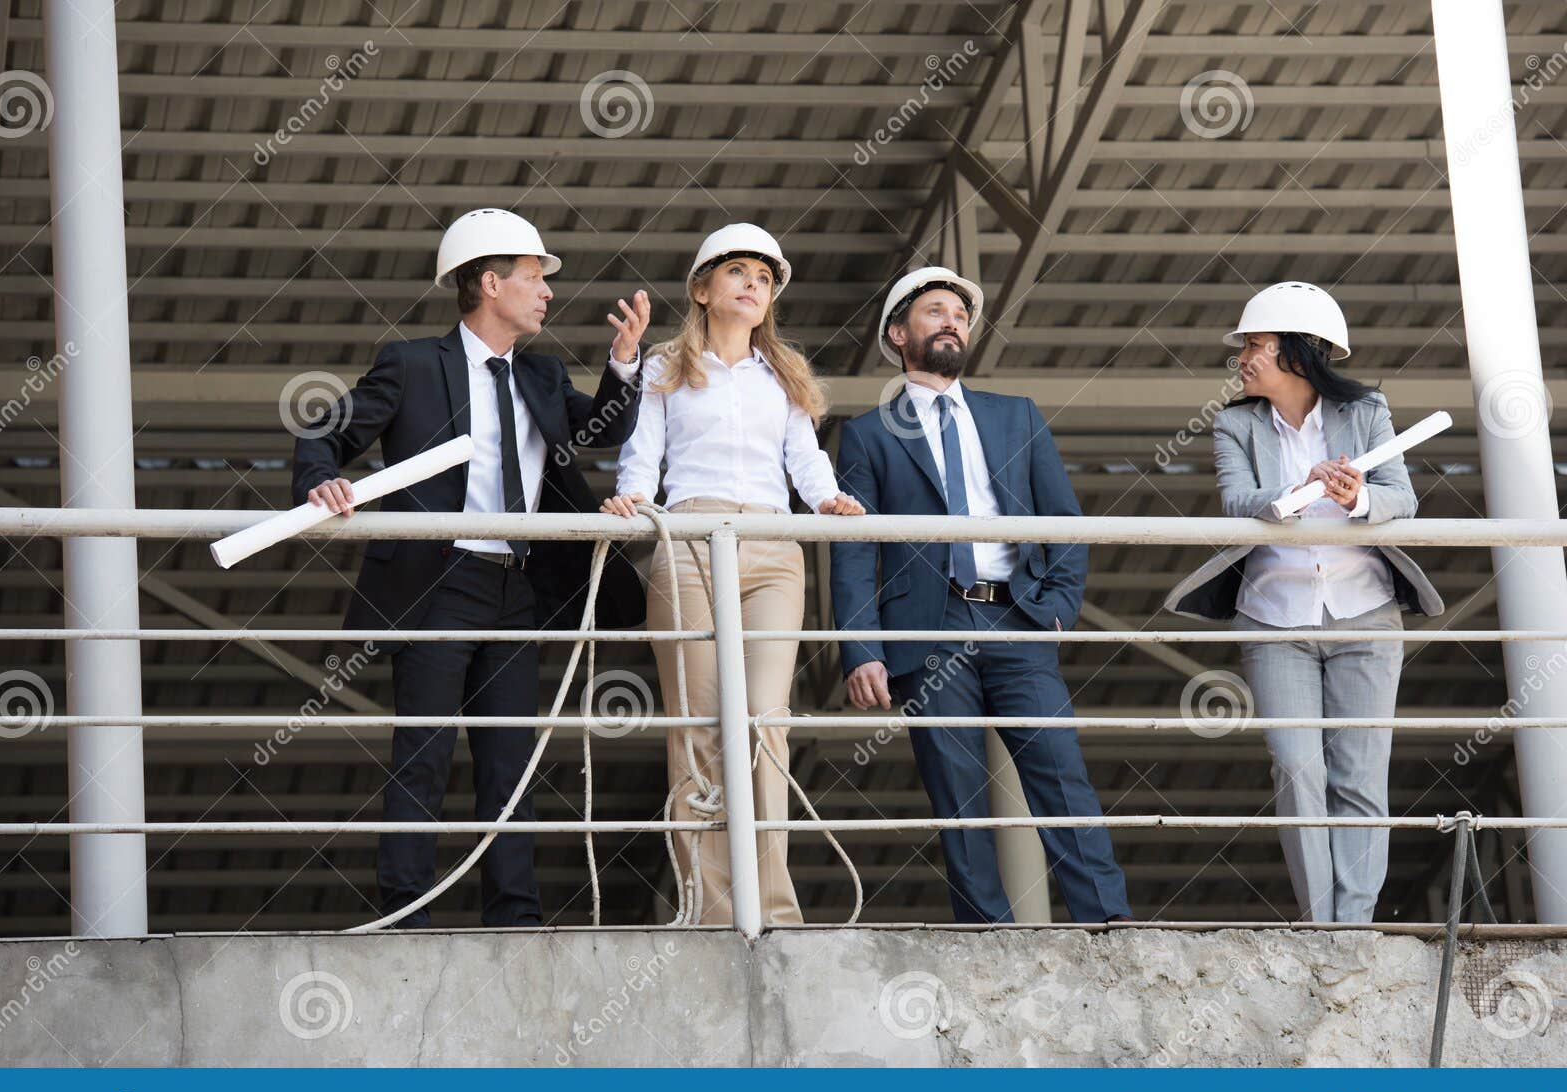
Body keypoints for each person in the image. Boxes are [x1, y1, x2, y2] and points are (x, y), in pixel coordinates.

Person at [291, 207, 651, 928]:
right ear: (490, 283)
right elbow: (329, 428)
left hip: (516, 586)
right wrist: (320, 480)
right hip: (438, 581)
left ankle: (514, 916)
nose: (547, 293)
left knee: (509, 761)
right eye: (533, 278)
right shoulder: (413, 363)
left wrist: (624, 363)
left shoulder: (544, 375)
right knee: (422, 750)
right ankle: (405, 915)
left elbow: (601, 430)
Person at [829, 266, 1130, 924]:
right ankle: (985, 937)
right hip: (927, 630)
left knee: (1061, 777)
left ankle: (1108, 925)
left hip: (1018, 618)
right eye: (936, 311)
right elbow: (852, 548)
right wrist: (861, 647)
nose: (952, 322)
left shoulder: (1013, 414)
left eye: (960, 316)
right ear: (897, 333)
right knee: (958, 798)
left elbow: (1065, 523)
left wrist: (1057, 608)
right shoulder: (868, 433)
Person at [602, 223, 864, 926]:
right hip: (689, 536)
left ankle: (773, 909)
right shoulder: (664, 366)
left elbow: (805, 461)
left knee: (764, 724)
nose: (754, 285)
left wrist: (829, 498)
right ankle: (711, 908)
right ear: (702, 288)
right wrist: (632, 496)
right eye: (739, 271)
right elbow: (642, 452)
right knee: (697, 726)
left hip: (774, 546)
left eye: (765, 278)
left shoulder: (782, 374)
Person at [1165, 281, 1443, 923]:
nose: (1243, 357)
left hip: (1365, 612)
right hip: (1274, 617)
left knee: (1360, 774)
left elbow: (1403, 497)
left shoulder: (1367, 410)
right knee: (1296, 770)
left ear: (1296, 351)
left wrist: (1357, 500)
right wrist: (1299, 488)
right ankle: (1320, 924)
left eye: (1255, 345)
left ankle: (1355, 927)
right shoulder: (1234, 423)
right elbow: (1238, 500)